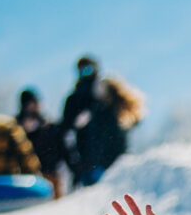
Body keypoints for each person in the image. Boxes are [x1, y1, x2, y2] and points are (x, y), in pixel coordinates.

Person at [62, 56, 145, 187]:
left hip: (113, 158)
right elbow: (66, 130)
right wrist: (75, 164)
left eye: (89, 68)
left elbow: (128, 123)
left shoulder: (106, 94)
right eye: (83, 70)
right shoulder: (75, 99)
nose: (86, 72)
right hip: (89, 161)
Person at [17, 89, 68, 198]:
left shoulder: (46, 123)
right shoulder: (16, 127)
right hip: (27, 178)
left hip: (51, 172)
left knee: (55, 206)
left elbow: (60, 146)